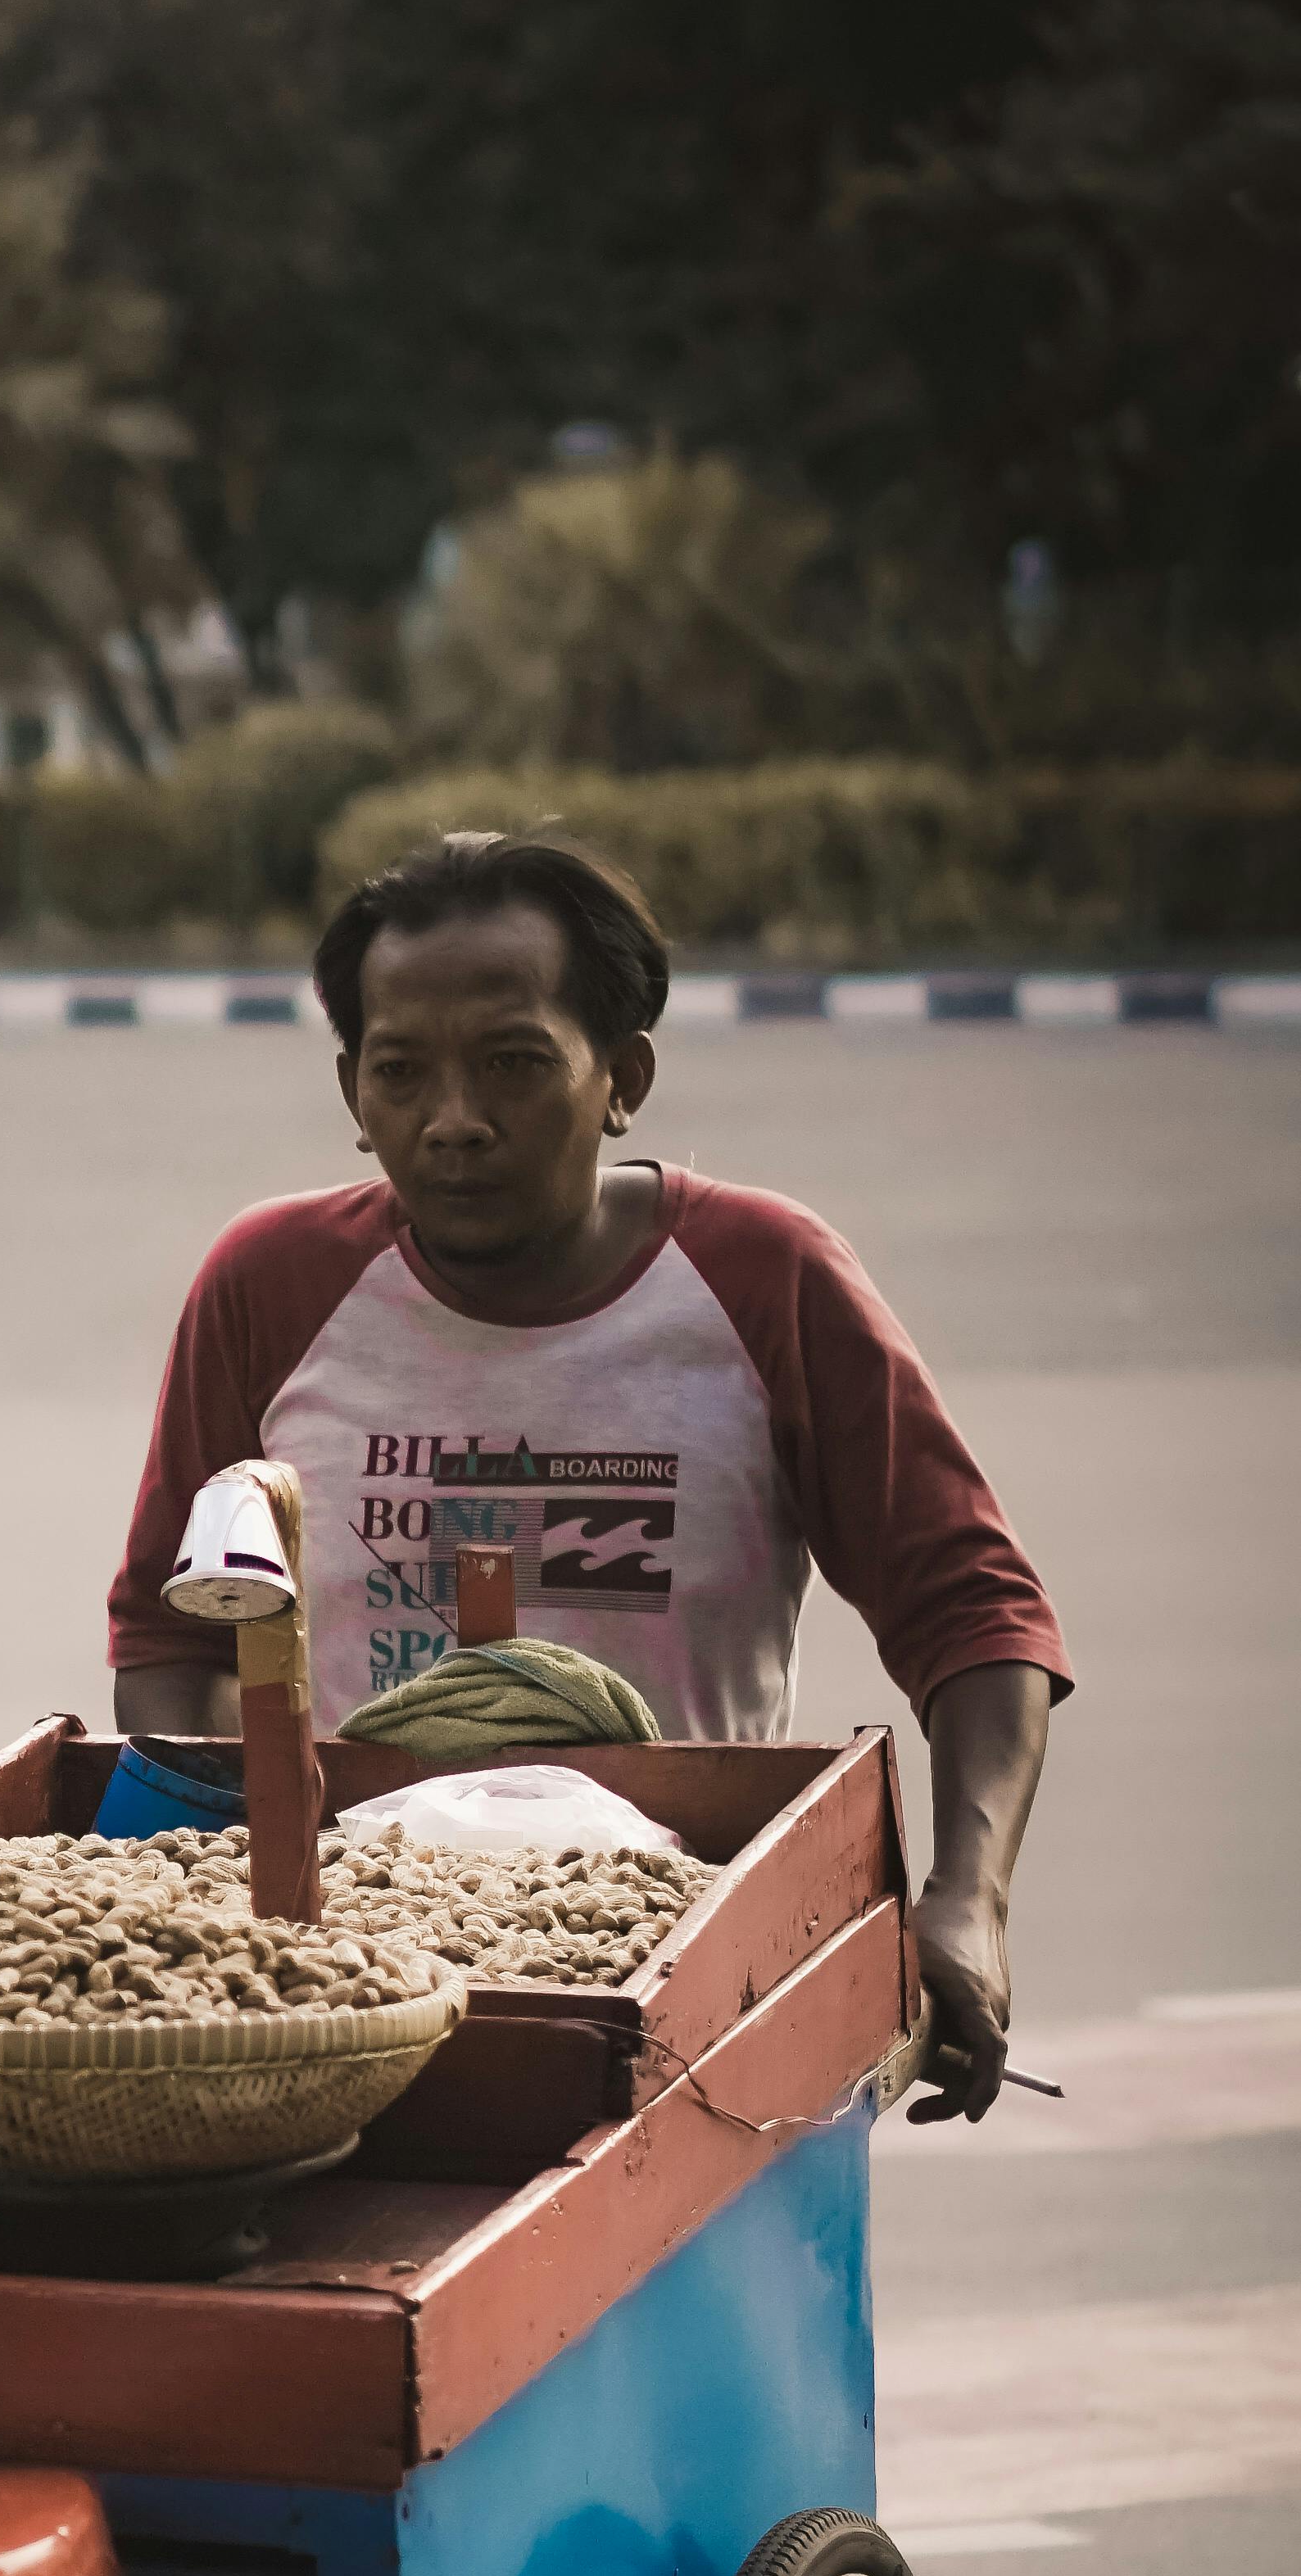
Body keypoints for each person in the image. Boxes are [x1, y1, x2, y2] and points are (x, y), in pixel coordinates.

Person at [107, 829, 1067, 2118]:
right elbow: (175, 1634)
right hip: (352, 1989)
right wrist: (241, 1896)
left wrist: (969, 1903)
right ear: (352, 1090)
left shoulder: (766, 1276)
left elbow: (973, 1613)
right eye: (402, 1072)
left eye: (512, 1063)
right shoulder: (269, 1283)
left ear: (623, 1076)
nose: (453, 1122)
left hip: (693, 1986)